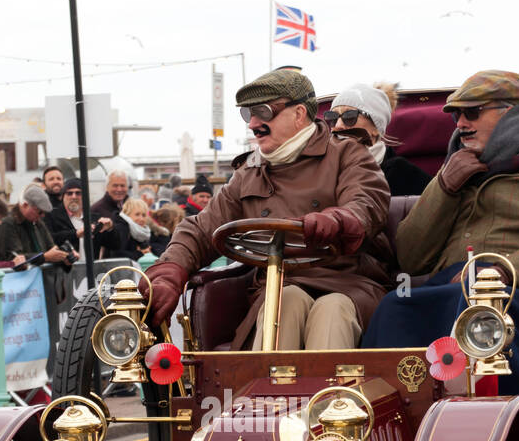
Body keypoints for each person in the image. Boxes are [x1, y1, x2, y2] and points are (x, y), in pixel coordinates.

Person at [364, 69, 519, 391]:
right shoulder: (454, 165)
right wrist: (445, 187)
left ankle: (484, 419)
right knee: (393, 307)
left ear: (511, 114)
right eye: (457, 115)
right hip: (451, 281)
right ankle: (387, 418)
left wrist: (502, 269)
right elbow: (410, 258)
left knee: (476, 311)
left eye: (472, 112)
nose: (461, 123)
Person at [144, 68, 390, 350]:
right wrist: (170, 270)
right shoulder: (249, 171)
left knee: (332, 309)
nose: (253, 124)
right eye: (248, 115)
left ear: (299, 114)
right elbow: (201, 228)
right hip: (277, 287)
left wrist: (338, 219)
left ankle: (330, 395)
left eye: (264, 112)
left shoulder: (347, 153)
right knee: (287, 302)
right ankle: (269, 393)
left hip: (348, 282)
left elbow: (367, 201)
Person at [327, 81, 430, 197]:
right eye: (333, 117)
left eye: (350, 116)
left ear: (376, 127)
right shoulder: (322, 167)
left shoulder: (400, 172)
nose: (338, 125)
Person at [0, 184, 70, 267]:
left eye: (44, 212)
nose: (42, 216)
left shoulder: (38, 223)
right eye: (40, 212)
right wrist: (44, 257)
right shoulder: (8, 224)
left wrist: (64, 257)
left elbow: (51, 249)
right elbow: (14, 258)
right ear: (25, 205)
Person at [46, 178, 85, 248]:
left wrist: (109, 227)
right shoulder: (52, 216)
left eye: (78, 193)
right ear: (62, 196)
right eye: (69, 193)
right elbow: (49, 239)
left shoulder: (92, 216)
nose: (74, 197)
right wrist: (75, 234)